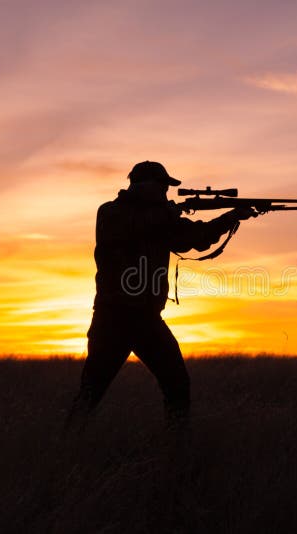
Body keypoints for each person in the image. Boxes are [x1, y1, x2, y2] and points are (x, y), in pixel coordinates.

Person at [64, 161, 256, 433]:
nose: (167, 192)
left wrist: (230, 217)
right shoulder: (111, 212)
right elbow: (139, 226)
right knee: (91, 392)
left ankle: (177, 449)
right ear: (144, 185)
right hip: (114, 318)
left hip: (146, 319)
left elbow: (195, 238)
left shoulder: (162, 218)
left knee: (177, 384)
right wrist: (170, 214)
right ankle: (66, 447)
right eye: (163, 186)